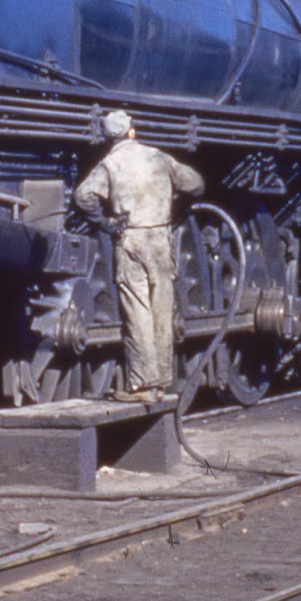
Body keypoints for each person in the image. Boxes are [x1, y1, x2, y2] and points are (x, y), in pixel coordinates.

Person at [73, 110, 204, 403]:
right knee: (162, 307)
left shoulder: (110, 164)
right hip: (160, 239)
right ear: (132, 131)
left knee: (137, 309)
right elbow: (195, 183)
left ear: (110, 137)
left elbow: (83, 196)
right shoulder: (158, 157)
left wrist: (105, 222)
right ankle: (162, 382)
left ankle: (145, 384)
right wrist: (174, 204)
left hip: (130, 239)